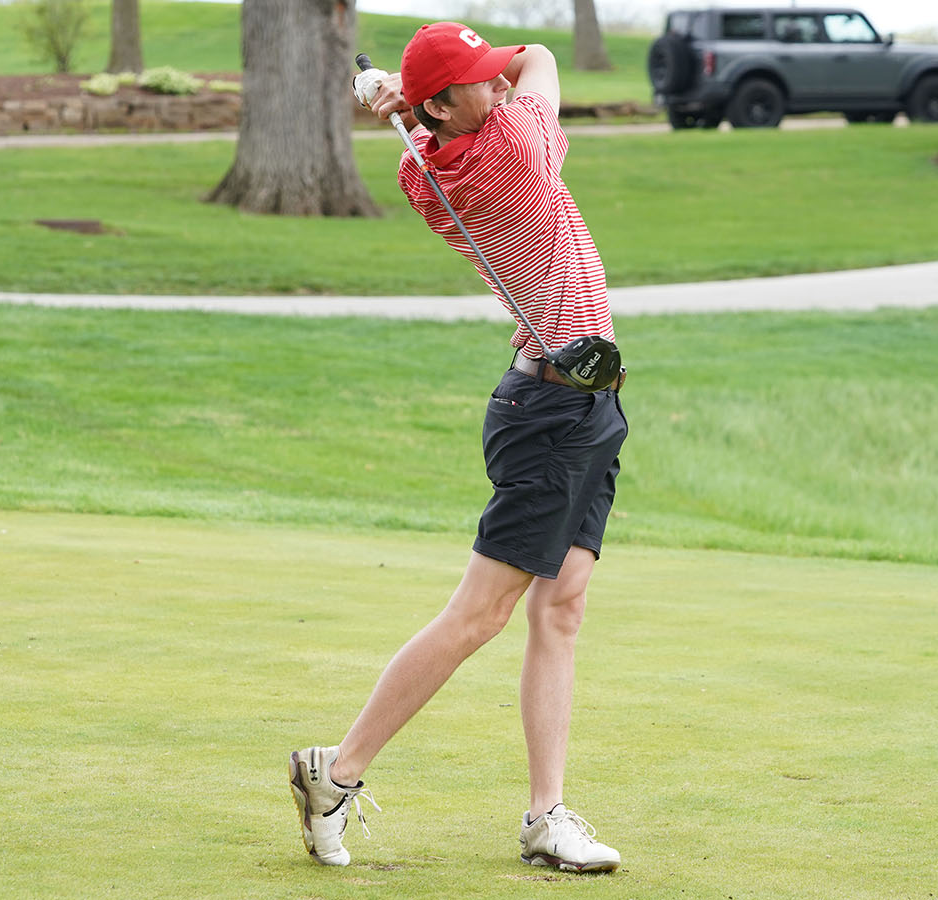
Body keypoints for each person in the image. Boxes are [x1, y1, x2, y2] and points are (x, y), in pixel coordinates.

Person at [285, 22, 628, 874]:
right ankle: (339, 770)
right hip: (552, 411)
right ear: (443, 104)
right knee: (481, 613)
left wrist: (414, 99)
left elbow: (489, 90)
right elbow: (538, 59)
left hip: (579, 403)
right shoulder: (513, 147)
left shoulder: (423, 165)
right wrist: (445, 82)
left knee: (563, 603)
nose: (497, 86)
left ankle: (547, 815)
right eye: (474, 81)